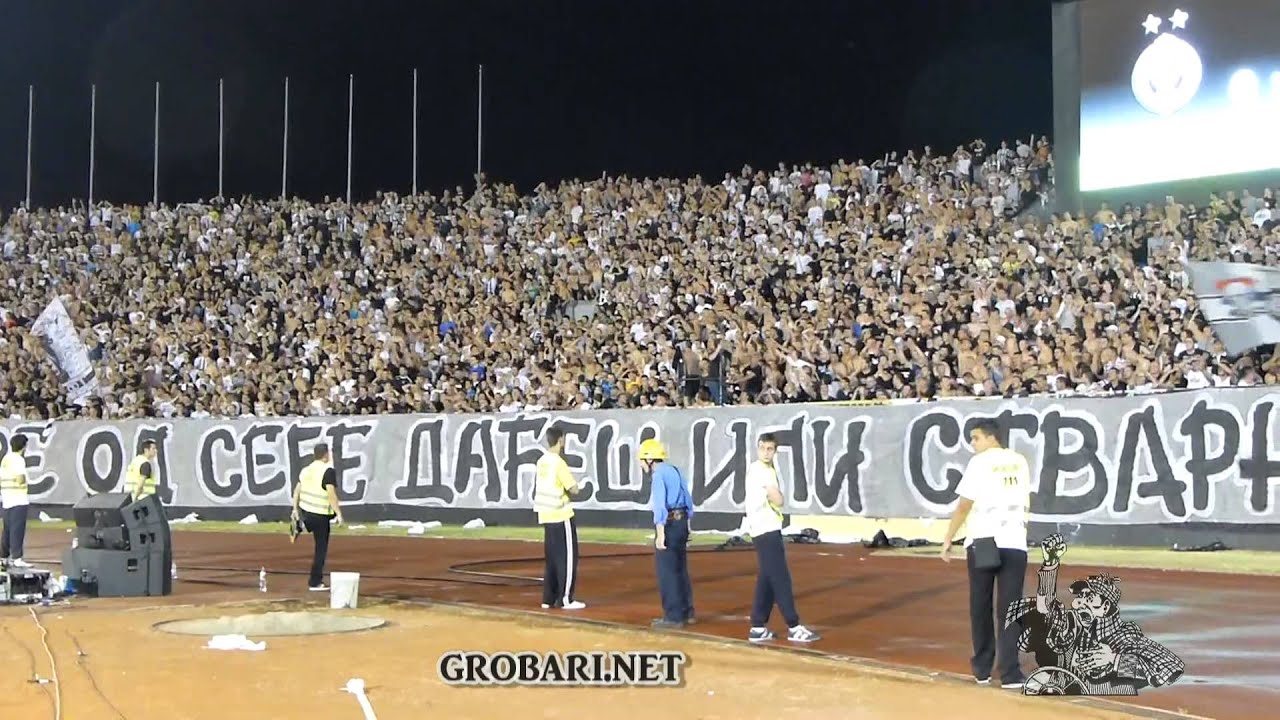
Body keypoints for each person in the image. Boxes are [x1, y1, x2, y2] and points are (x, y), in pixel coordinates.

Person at [940, 419, 1033, 690]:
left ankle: (982, 668)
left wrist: (948, 537)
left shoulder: (979, 463)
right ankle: (1010, 673)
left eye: (976, 438)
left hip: (984, 539)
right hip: (1015, 541)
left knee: (980, 606)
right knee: (1009, 609)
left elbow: (964, 505)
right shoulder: (1020, 461)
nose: (973, 444)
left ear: (991, 437)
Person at [744, 433, 820, 643]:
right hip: (766, 528)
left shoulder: (757, 468)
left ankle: (758, 626)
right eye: (763, 448)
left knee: (767, 578)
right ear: (758, 448)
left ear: (774, 451)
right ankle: (794, 626)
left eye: (770, 449)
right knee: (780, 578)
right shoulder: (763, 471)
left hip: (762, 528)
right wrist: (780, 498)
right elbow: (777, 499)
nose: (766, 452)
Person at [639, 438, 695, 628]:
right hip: (682, 522)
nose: (640, 464)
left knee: (667, 572)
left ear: (649, 460)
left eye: (641, 460)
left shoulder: (658, 475)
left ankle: (673, 616)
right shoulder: (675, 470)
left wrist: (660, 532)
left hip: (670, 524)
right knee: (680, 569)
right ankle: (687, 611)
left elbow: (660, 505)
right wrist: (688, 525)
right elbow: (688, 498)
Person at [534, 425, 586, 610]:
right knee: (568, 558)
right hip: (561, 514)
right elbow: (572, 487)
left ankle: (548, 598)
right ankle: (565, 599)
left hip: (545, 514)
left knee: (552, 559)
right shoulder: (558, 462)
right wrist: (579, 488)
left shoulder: (542, 461)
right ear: (561, 440)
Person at [291, 444, 344, 591]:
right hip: (321, 514)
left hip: (306, 510)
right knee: (321, 548)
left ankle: (301, 525)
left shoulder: (306, 470)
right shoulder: (328, 471)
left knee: (311, 525)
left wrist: (295, 510)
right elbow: (331, 494)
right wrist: (338, 514)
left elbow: (296, 491)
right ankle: (315, 582)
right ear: (326, 455)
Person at [1, 435, 31, 568]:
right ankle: (17, 557)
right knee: (17, 529)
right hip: (18, 498)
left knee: (7, 529)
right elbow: (20, 479)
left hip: (6, 498)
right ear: (24, 446)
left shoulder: (6, 459)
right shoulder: (19, 460)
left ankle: (3, 556)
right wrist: (24, 479)